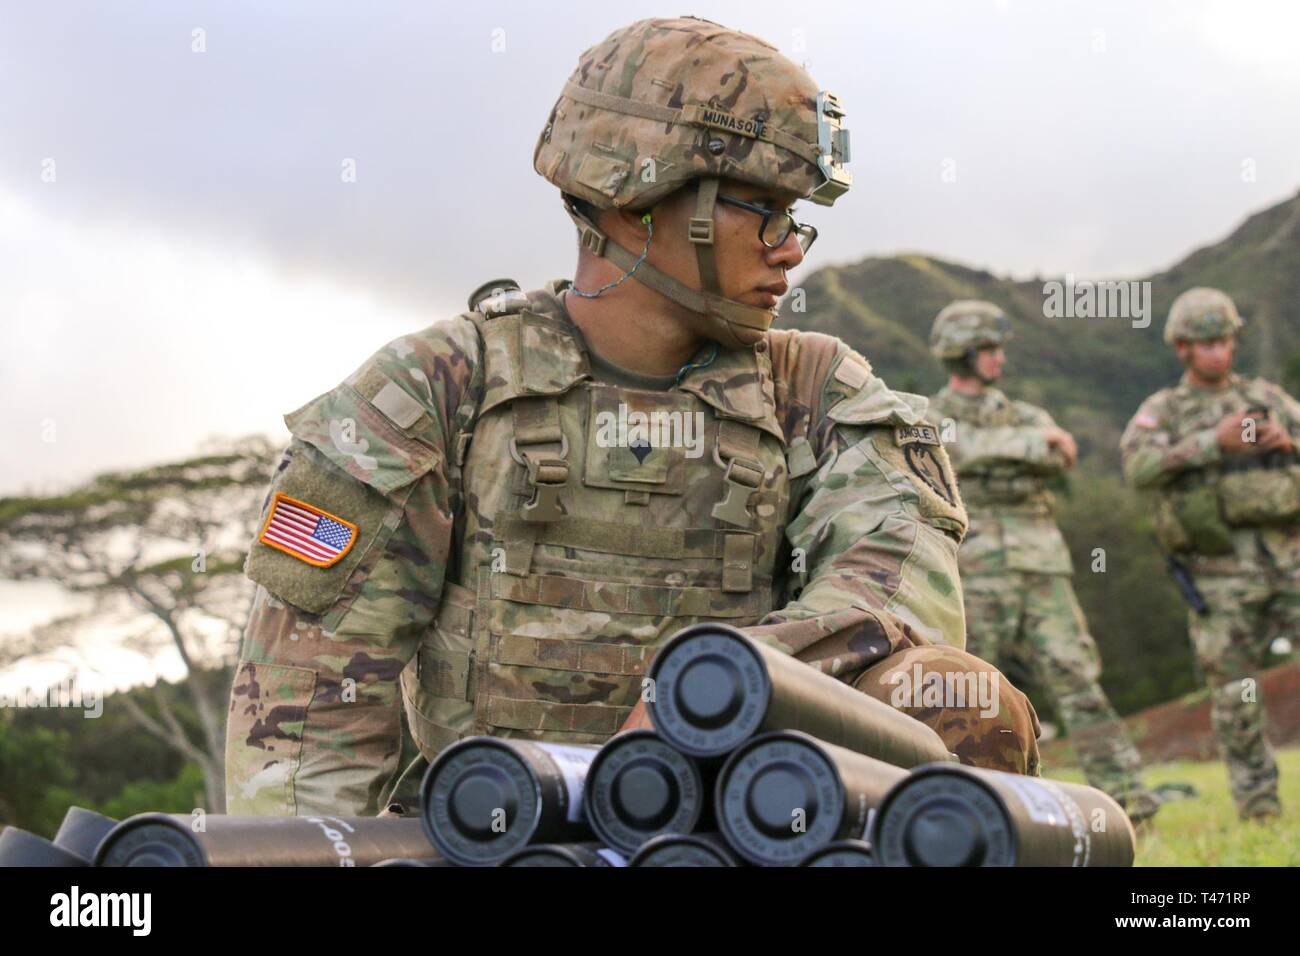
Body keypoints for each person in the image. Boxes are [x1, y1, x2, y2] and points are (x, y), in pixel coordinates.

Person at [225, 16, 1041, 817]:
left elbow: (900, 597)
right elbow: (305, 714)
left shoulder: (815, 389)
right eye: (762, 207)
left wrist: (707, 693)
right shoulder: (441, 387)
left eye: (796, 217)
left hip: (747, 819)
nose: (790, 246)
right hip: (503, 828)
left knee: (962, 700)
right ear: (638, 197)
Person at [927, 300, 1161, 823]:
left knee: (1078, 679)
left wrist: (1012, 445)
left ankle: (1130, 805)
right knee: (971, 692)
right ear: (960, 352)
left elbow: (1063, 455)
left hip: (1042, 569)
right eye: (987, 349)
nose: (998, 360)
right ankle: (974, 807)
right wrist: (1028, 445)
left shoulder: (1022, 411)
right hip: (972, 573)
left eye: (998, 350)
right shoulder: (932, 416)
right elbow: (952, 452)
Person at [1121, 287, 1295, 821]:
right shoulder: (1165, 410)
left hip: (1288, 561)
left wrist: (1286, 442)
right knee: (1236, 699)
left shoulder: (1266, 397)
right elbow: (1138, 467)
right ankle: (1259, 808)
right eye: (1205, 343)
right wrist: (1212, 443)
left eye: (1224, 340)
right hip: (1218, 576)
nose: (1218, 352)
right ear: (1182, 349)